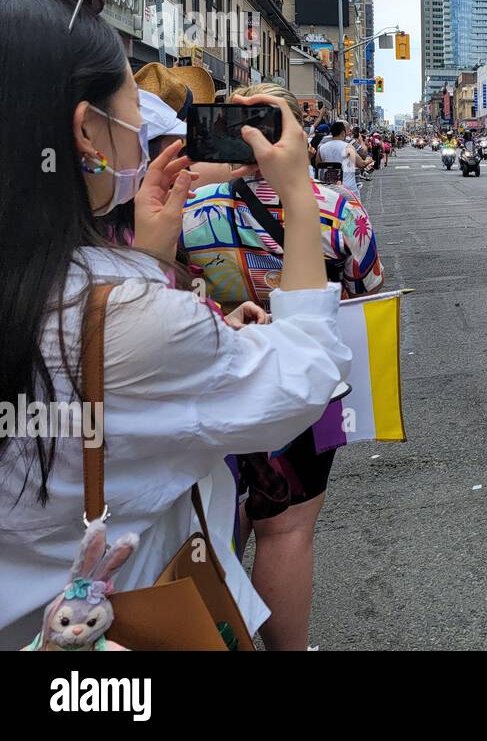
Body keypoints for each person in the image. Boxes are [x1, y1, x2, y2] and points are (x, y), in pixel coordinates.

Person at [0, 0, 348, 649]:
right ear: (86, 132)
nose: (149, 139)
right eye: (136, 117)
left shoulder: (91, 296)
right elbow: (307, 374)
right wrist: (300, 194)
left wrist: (151, 261)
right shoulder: (128, 319)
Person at [181, 84, 382, 651]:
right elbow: (368, 280)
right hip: (304, 388)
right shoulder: (335, 205)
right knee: (287, 528)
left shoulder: (188, 206)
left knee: (217, 515)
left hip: (214, 374)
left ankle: (215, 628)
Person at [317, 121, 364, 200]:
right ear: (343, 132)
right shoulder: (348, 146)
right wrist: (369, 161)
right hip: (348, 189)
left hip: (330, 189)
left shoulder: (322, 148)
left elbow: (318, 165)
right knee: (354, 211)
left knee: (335, 211)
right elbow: (361, 164)